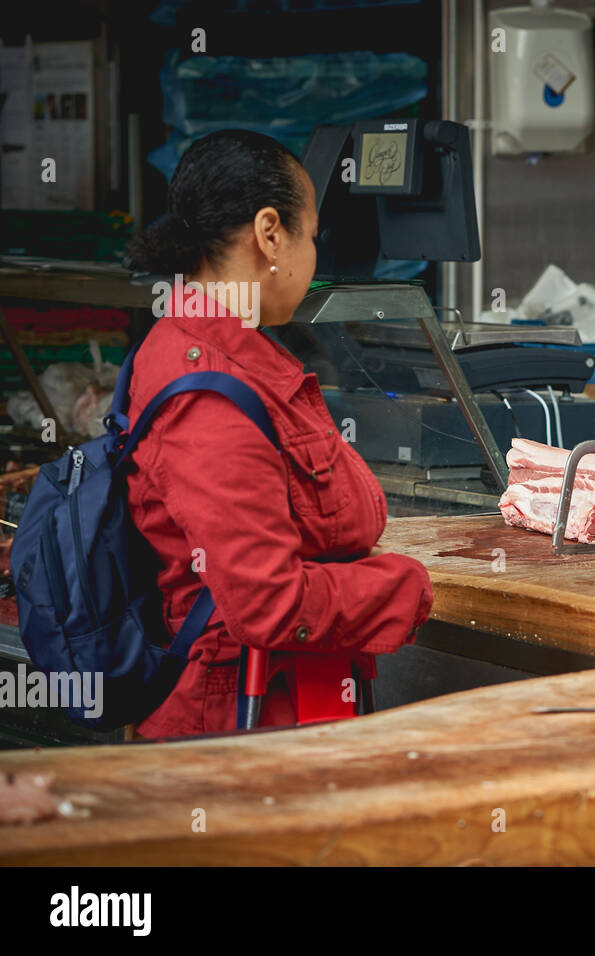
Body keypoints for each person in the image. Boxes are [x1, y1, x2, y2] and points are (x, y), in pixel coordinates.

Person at [123, 129, 433, 738]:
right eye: (311, 236)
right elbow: (269, 603)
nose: (314, 255)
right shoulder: (207, 389)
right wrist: (407, 586)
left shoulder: (228, 352)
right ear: (270, 233)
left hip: (287, 699)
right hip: (236, 719)